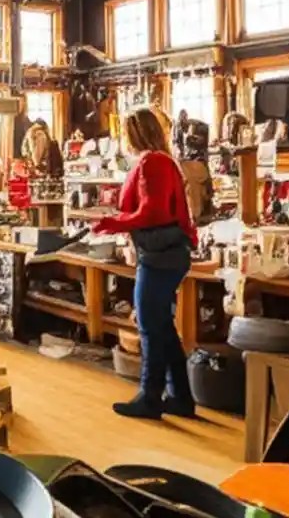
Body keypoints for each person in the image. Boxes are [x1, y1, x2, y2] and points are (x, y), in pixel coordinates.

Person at [93, 107, 198, 419]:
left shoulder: (153, 162)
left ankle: (150, 397)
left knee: (151, 327)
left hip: (159, 254)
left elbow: (153, 213)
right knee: (162, 326)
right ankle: (180, 397)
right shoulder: (161, 161)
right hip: (166, 253)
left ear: (134, 133)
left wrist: (113, 223)